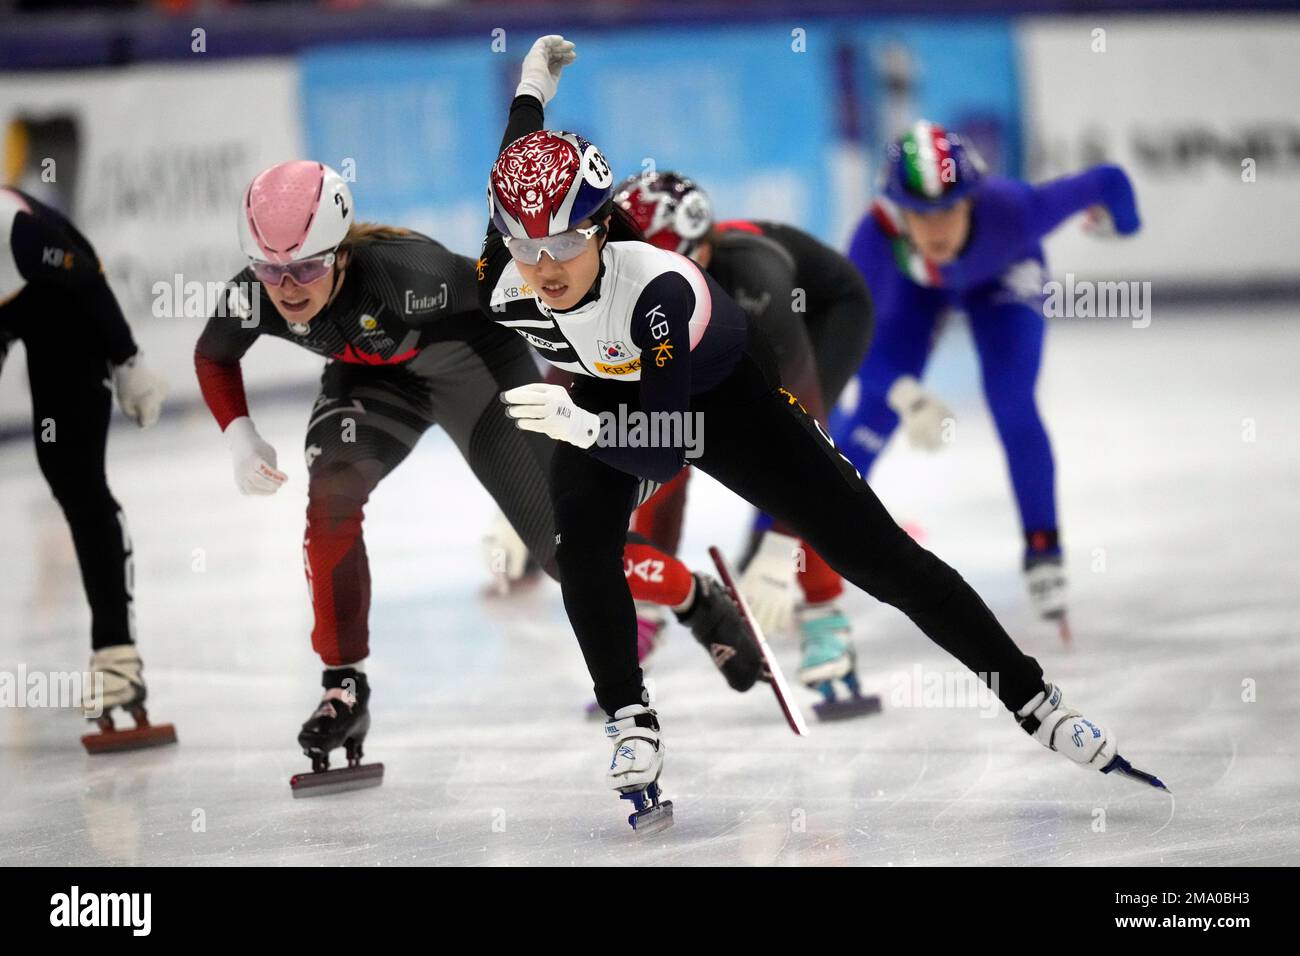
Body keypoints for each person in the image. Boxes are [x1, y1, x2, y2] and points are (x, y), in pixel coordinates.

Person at [481, 36, 1157, 827]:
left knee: (882, 559)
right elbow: (518, 155)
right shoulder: (510, 256)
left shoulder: (655, 289)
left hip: (724, 403)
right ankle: (631, 720)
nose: (545, 266)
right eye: (527, 246)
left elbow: (665, 448)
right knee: (581, 541)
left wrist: (578, 421)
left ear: (601, 228)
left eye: (565, 241)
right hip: (613, 388)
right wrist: (532, 87)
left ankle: (1033, 698)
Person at [194, 160, 759, 780]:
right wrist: (239, 434)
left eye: (306, 266)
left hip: (476, 372)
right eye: (269, 270)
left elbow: (528, 298)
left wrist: (594, 393)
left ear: (343, 253)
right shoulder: (255, 293)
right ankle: (343, 685)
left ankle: (693, 597)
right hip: (373, 385)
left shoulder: (417, 276)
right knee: (330, 500)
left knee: (566, 552)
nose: (286, 287)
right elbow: (214, 355)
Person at [831, 120, 1141, 631]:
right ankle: (798, 540)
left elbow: (1110, 179)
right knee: (877, 409)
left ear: (972, 200)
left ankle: (1044, 548)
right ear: (895, 211)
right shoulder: (875, 238)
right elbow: (845, 334)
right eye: (919, 214)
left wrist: (1122, 225)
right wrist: (905, 392)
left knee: (1010, 396)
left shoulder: (1016, 211)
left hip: (1002, 276)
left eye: (949, 209)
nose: (936, 230)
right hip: (916, 290)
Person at [612, 171, 878, 708]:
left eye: (671, 267)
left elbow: (809, 431)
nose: (655, 283)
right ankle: (647, 608)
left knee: (795, 449)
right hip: (718, 332)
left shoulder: (754, 276)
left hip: (821, 317)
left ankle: (826, 618)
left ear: (704, 249)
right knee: (667, 440)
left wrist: (782, 548)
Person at [0, 185, 170, 740]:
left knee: (72, 476)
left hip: (58, 304)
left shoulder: (14, 231)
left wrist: (126, 358)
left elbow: (85, 273)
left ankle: (117, 658)